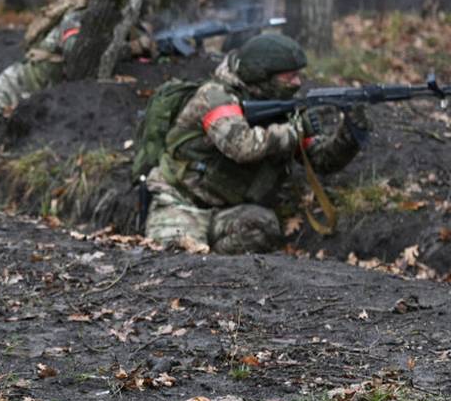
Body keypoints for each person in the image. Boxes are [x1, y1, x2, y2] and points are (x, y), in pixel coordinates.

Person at [143, 34, 366, 253]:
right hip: (181, 203)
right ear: (262, 75)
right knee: (174, 262)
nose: (297, 83)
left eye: (298, 76)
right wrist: (297, 129)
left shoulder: (282, 108)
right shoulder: (215, 96)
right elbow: (242, 146)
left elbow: (320, 160)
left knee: (263, 228)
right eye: (289, 77)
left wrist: (349, 134)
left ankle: (215, 263)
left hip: (228, 214)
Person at [0, 0, 156, 198]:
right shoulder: (80, 18)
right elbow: (74, 49)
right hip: (13, 87)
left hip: (37, 96)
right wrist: (130, 48)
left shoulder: (124, 27)